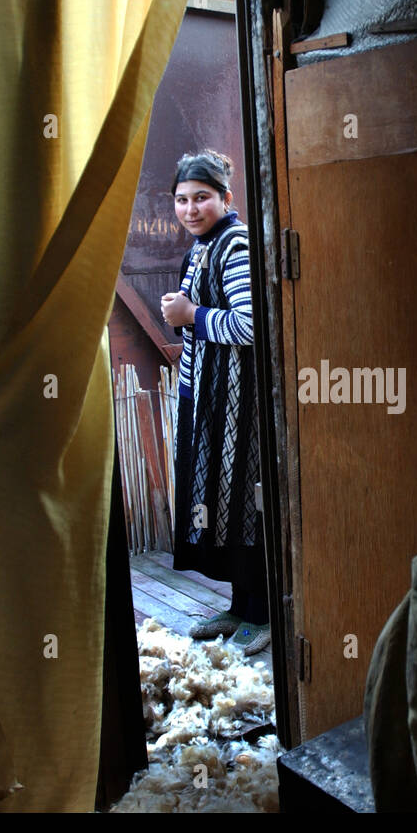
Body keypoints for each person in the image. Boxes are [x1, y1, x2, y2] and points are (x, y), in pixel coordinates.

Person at [161, 150, 270, 655]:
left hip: (238, 407)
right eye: (182, 200)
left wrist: (191, 316)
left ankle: (262, 614)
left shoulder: (236, 244)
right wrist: (184, 317)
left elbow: (251, 325)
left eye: (201, 198)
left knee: (244, 505)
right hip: (208, 398)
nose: (190, 209)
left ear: (226, 198)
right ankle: (237, 606)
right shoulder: (204, 245)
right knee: (219, 505)